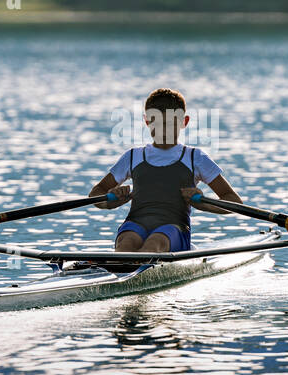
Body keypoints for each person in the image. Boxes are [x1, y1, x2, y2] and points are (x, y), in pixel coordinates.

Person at [89, 88, 241, 253]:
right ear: (147, 122)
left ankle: (131, 268)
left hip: (174, 228)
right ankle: (121, 269)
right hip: (135, 223)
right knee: (126, 244)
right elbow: (96, 193)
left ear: (184, 122)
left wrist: (203, 204)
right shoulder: (132, 156)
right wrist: (109, 202)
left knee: (155, 243)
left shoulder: (195, 157)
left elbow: (234, 201)